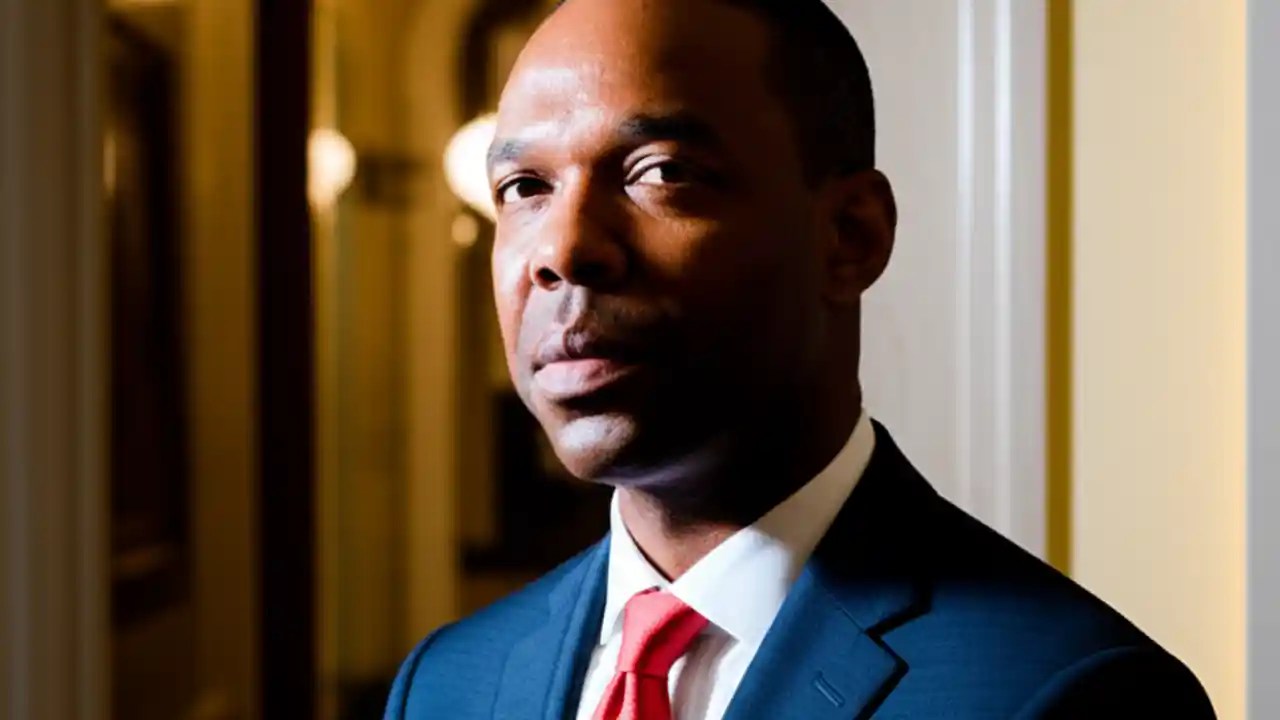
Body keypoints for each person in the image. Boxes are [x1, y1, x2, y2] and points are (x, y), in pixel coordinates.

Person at [385, 0, 1215, 717]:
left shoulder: (1066, 693)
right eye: (525, 189)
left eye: (660, 172)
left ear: (850, 237)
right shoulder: (447, 685)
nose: (563, 248)